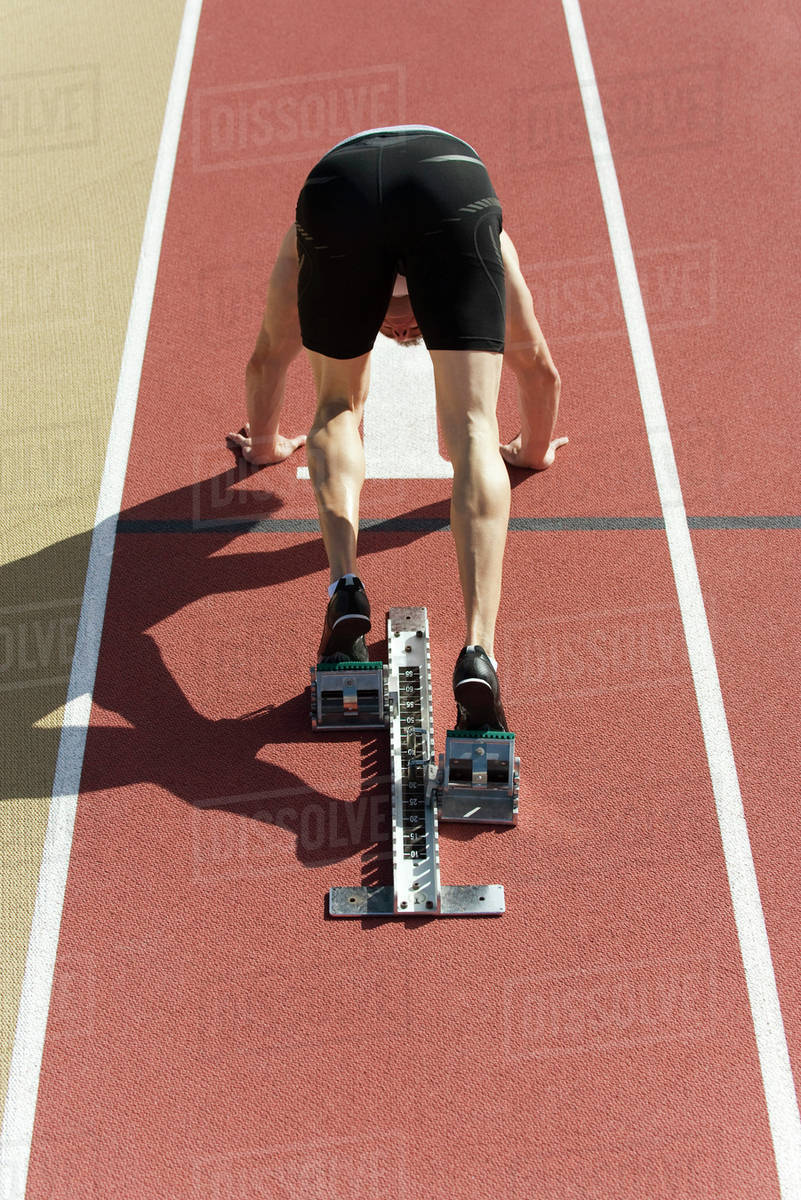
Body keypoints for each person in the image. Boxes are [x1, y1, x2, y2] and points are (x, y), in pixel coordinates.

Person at [226, 124, 566, 732]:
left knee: (336, 406)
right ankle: (480, 650)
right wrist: (532, 449)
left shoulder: (301, 244)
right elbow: (539, 370)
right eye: (396, 323)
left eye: (411, 325)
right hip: (450, 182)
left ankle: (346, 584)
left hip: (341, 190)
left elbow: (266, 358)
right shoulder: (494, 245)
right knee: (473, 430)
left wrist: (267, 440)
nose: (405, 334)